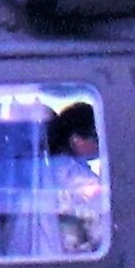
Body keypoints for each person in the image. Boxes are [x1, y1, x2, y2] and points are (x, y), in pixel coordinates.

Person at [45, 101, 108, 255]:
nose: (101, 143)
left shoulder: (51, 168)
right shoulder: (79, 177)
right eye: (96, 137)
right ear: (76, 140)